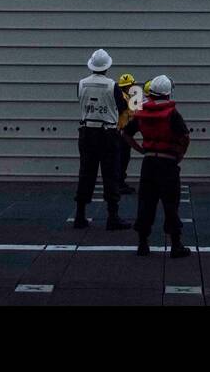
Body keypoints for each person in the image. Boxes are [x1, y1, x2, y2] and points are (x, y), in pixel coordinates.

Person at [122, 74, 191, 258]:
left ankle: (142, 243)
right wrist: (179, 156)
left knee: (145, 203)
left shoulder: (141, 113)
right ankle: (176, 245)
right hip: (168, 163)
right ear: (168, 94)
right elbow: (185, 137)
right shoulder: (172, 114)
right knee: (171, 204)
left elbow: (126, 134)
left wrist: (141, 150)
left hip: (149, 162)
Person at [74, 48, 130, 230]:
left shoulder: (81, 83)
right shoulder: (112, 86)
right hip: (107, 133)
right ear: (107, 66)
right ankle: (112, 216)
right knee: (111, 174)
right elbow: (123, 107)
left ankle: (80, 215)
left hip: (86, 132)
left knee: (86, 173)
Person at [116, 73, 140, 195]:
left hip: (123, 132)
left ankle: (120, 182)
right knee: (122, 158)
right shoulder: (123, 98)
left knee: (123, 158)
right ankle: (119, 184)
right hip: (121, 133)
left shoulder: (126, 97)